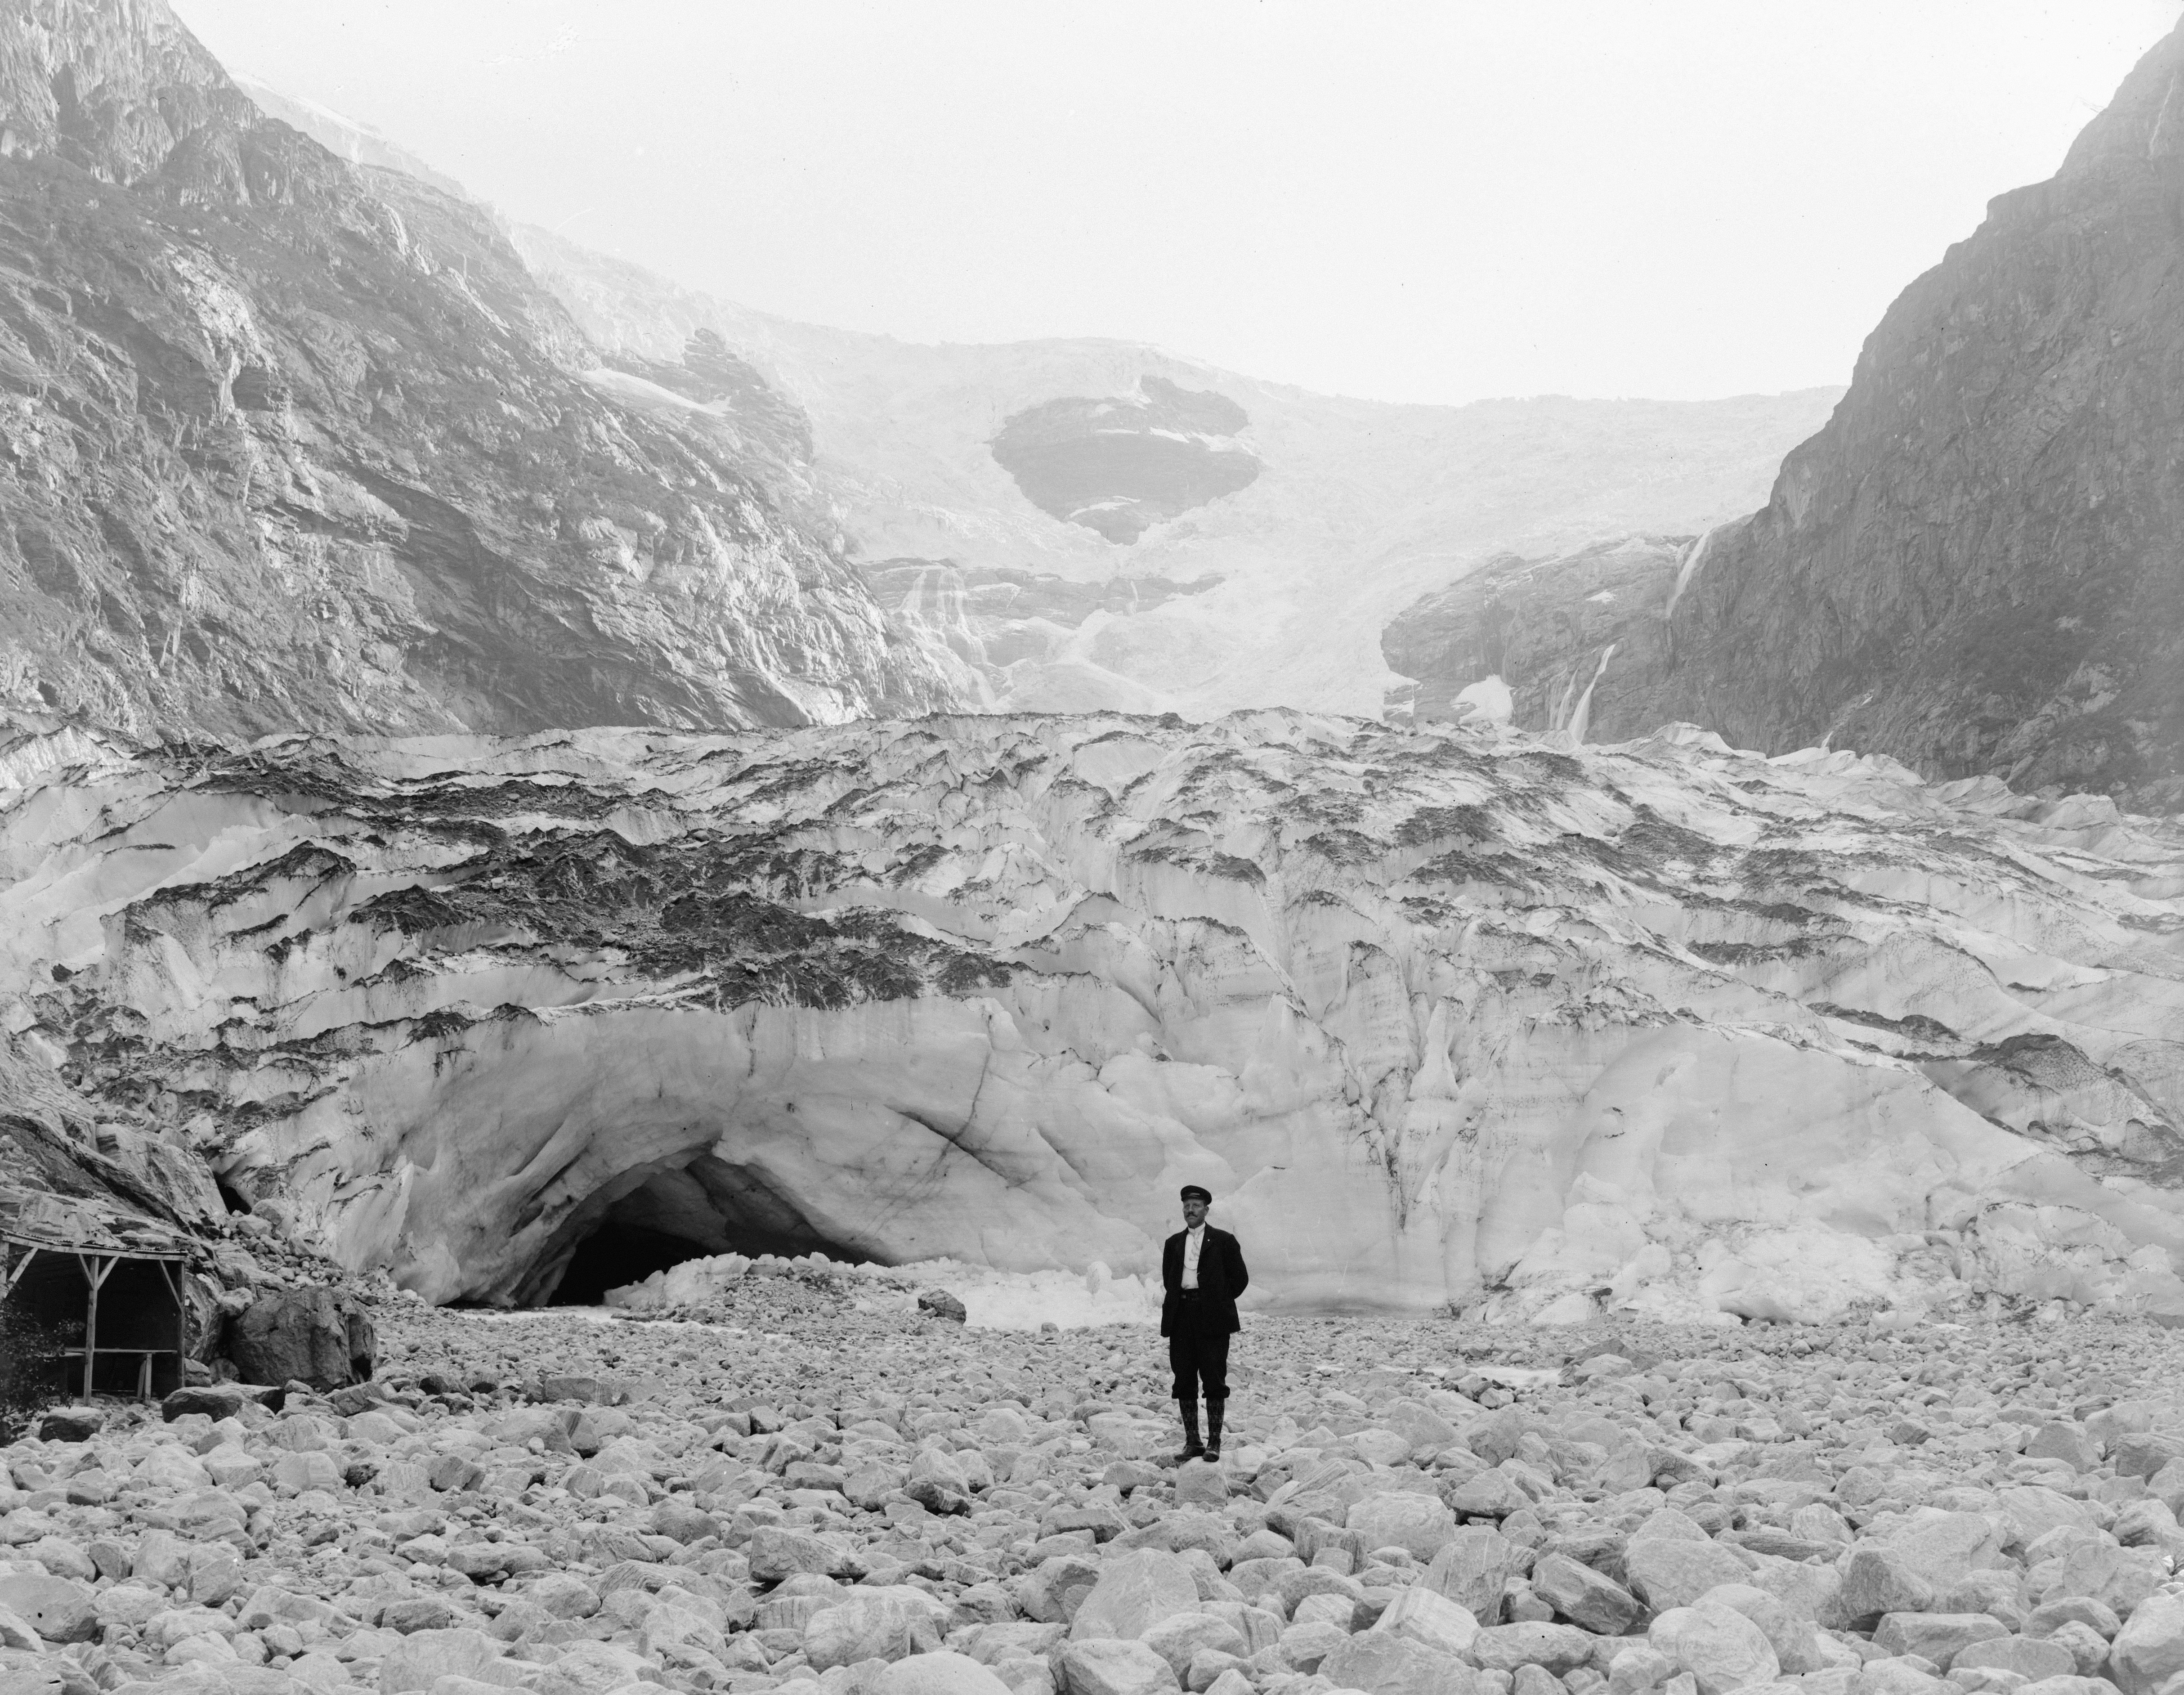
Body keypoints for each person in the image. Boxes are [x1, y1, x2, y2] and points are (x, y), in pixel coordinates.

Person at [1161, 1184, 1248, 1463]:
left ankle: (1214, 1443)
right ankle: (1193, 1442)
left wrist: (1217, 1301)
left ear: (1206, 1210)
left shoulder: (1224, 1240)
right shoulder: (1173, 1243)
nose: (1191, 1210)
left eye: (1196, 1206)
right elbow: (1169, 1279)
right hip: (1182, 1317)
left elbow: (1240, 1279)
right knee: (1184, 1379)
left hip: (1212, 1318)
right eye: (1187, 1205)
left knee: (1213, 1379)